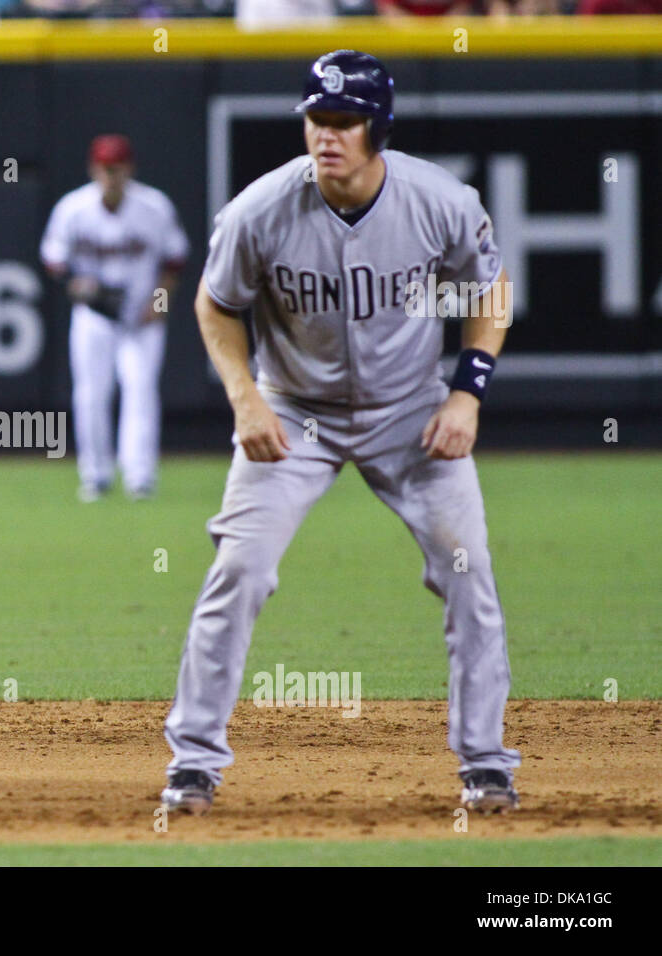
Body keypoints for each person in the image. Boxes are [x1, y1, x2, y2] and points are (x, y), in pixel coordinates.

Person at [160, 51, 521, 815]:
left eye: (344, 122)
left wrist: (468, 395)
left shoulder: (438, 200)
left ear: (376, 128)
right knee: (240, 569)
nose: (326, 136)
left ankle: (485, 763)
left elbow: (491, 288)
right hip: (295, 415)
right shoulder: (260, 210)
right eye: (317, 120)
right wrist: (245, 399)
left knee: (469, 571)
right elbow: (214, 304)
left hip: (409, 413)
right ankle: (193, 763)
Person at [40, 134, 189, 501]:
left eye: (117, 167)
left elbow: (174, 261)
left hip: (141, 317)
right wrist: (75, 284)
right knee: (91, 394)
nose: (111, 174)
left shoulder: (154, 206)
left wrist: (159, 303)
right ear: (94, 169)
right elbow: (54, 259)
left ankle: (140, 476)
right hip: (95, 316)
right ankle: (96, 475)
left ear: (129, 168)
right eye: (105, 168)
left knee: (140, 390)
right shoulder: (73, 208)